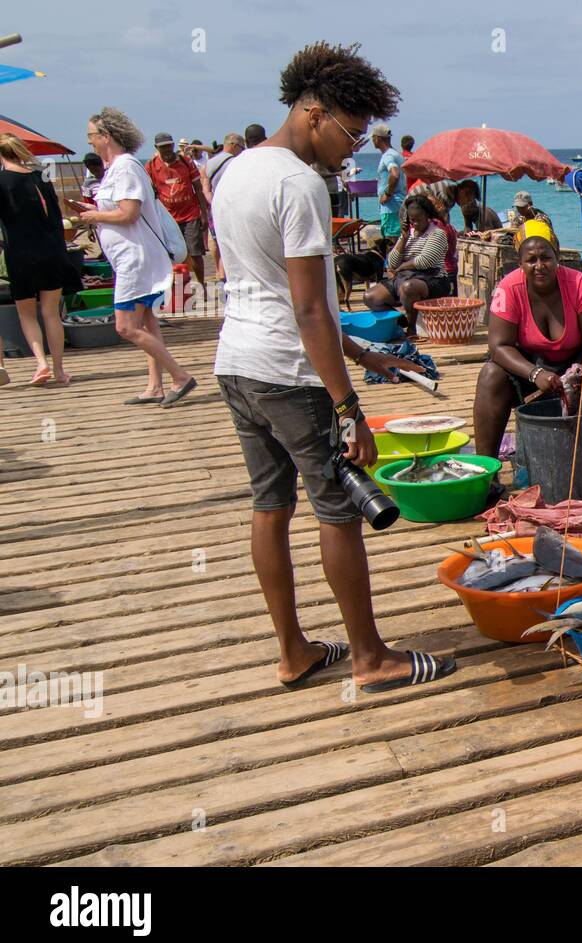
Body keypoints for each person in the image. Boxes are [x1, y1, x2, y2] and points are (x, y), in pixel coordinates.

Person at [213, 41, 452, 692]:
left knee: (270, 504)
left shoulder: (234, 171)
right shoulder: (299, 183)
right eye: (350, 133)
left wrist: (363, 350)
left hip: (237, 362)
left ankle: (294, 651)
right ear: (313, 114)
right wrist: (351, 409)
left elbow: (255, 285)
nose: (355, 149)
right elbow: (309, 309)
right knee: (339, 509)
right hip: (291, 373)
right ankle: (371, 657)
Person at [474, 220, 582, 493]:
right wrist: (535, 373)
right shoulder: (509, 288)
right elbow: (499, 346)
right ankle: (487, 472)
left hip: (577, 366)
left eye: (546, 257)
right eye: (531, 260)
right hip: (530, 369)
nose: (539, 265)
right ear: (520, 263)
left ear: (557, 256)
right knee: (490, 375)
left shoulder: (579, 284)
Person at [78, 107, 197, 406]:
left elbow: (129, 213)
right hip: (130, 257)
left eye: (91, 135)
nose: (89, 142)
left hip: (135, 258)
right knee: (146, 322)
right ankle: (155, 385)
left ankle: (180, 376)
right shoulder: (119, 168)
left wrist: (94, 216)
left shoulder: (127, 167)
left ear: (106, 136)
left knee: (125, 327)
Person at [0, 133, 80, 385]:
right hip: (51, 251)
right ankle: (59, 370)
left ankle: (40, 363)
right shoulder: (41, 177)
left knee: (27, 314)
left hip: (20, 253)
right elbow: (55, 216)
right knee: (51, 313)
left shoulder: (2, 181)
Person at [362, 193, 451, 331]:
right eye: (412, 220)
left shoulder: (437, 233)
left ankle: (411, 327)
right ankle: (400, 321)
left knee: (408, 287)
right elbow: (391, 263)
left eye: (418, 219)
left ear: (427, 216)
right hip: (405, 277)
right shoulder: (408, 234)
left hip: (433, 279)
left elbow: (426, 261)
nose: (415, 223)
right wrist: (403, 239)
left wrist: (402, 266)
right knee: (370, 297)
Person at [146, 131, 210, 288]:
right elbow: (149, 192)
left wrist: (204, 213)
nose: (167, 150)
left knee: (195, 252)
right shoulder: (151, 166)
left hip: (190, 214)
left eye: (168, 146)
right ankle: (178, 288)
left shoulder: (186, 162)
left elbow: (198, 188)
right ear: (156, 148)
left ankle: (202, 285)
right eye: (163, 148)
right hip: (167, 218)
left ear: (173, 146)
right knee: (172, 254)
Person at [201, 133, 246, 282]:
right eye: (241, 147)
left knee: (217, 240)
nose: (242, 150)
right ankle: (229, 272)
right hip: (232, 208)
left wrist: (213, 201)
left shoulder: (210, 163)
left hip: (215, 208)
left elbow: (205, 187)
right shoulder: (236, 162)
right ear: (233, 145)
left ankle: (220, 271)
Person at [372, 122, 406, 239]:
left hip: (391, 207)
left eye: (373, 137)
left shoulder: (388, 156)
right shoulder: (396, 154)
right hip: (399, 204)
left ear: (377, 138)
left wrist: (387, 194)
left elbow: (395, 174)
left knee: (391, 243)